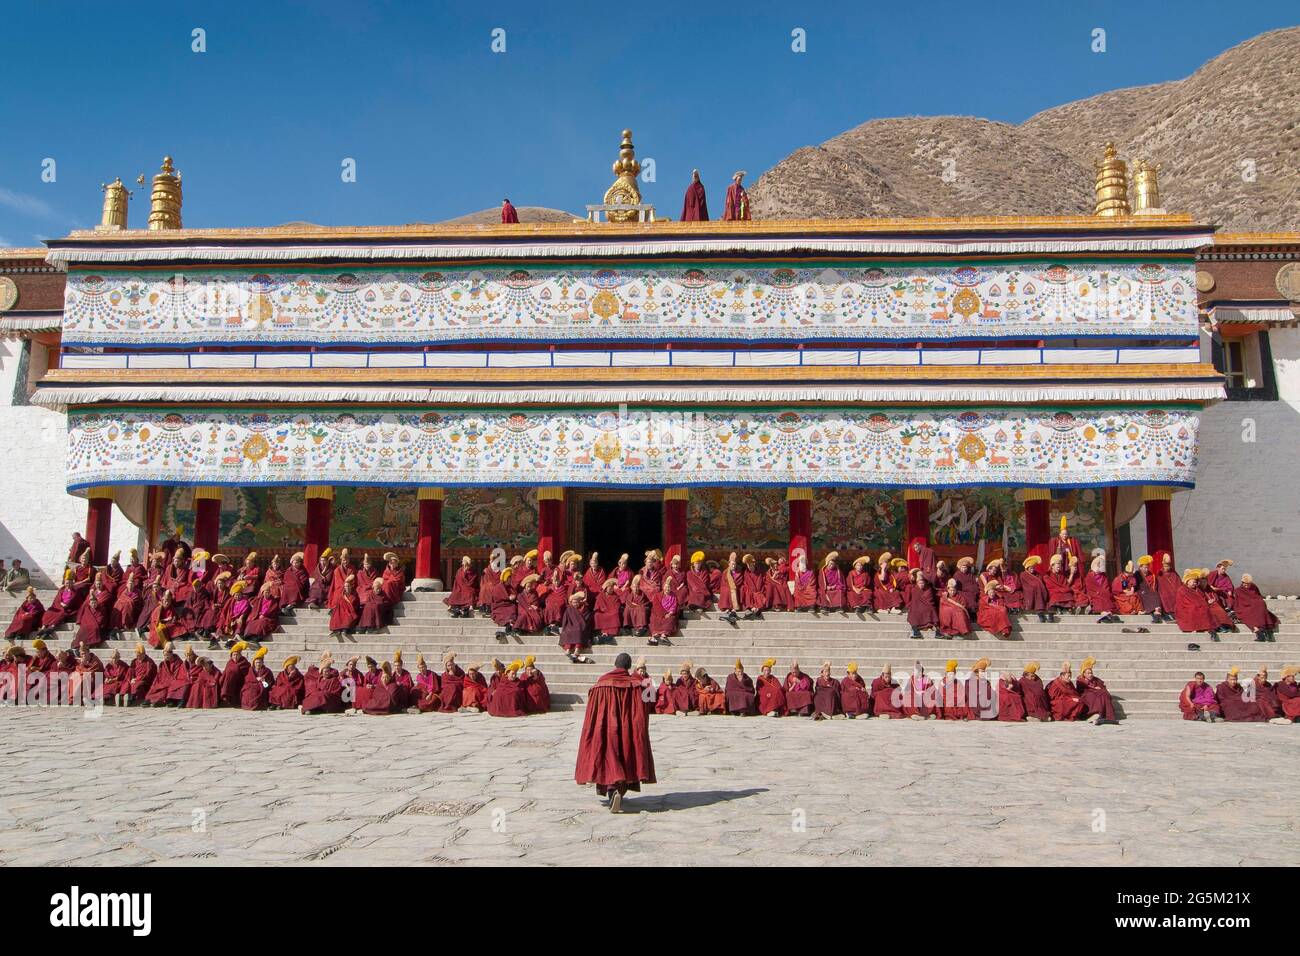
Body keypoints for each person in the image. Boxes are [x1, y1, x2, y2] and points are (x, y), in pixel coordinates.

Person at [574, 652, 656, 813]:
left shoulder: (602, 682)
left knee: (608, 757)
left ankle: (612, 791)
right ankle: (615, 791)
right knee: (625, 756)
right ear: (628, 667)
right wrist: (646, 679)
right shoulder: (636, 684)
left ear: (615, 664)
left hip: (605, 728)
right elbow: (650, 702)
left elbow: (592, 710)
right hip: (627, 729)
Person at [1235, 574, 1279, 643]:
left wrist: (1257, 602)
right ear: (1242, 583)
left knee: (1261, 604)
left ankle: (1261, 632)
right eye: (1245, 584)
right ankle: (1261, 631)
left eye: (1248, 584)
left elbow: (1258, 596)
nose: (1246, 586)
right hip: (1245, 607)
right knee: (1247, 615)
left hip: (1256, 604)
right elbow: (1238, 602)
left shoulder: (1254, 587)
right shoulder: (1238, 590)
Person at [1075, 657, 1116, 723]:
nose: (1090, 675)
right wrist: (1093, 688)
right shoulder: (1080, 680)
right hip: (1085, 695)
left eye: (1091, 673)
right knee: (1093, 696)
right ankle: (1093, 714)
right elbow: (1081, 689)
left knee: (1104, 694)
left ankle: (1108, 716)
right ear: (1084, 674)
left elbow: (1102, 686)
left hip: (1096, 693)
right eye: (1088, 673)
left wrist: (1100, 689)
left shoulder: (1095, 679)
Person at [906, 570, 939, 639]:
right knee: (913, 612)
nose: (921, 585)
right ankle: (916, 631)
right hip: (916, 607)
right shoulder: (914, 589)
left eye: (923, 583)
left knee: (932, 609)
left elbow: (930, 600)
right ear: (917, 583)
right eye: (920, 583)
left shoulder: (928, 589)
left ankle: (938, 631)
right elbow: (910, 600)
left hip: (927, 607)